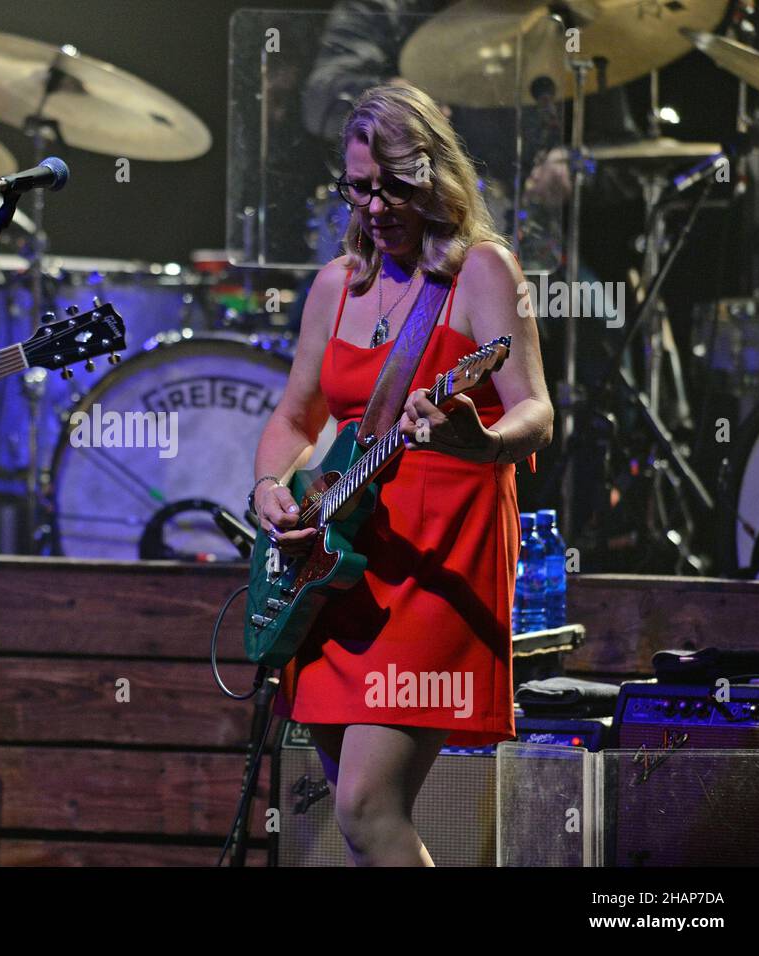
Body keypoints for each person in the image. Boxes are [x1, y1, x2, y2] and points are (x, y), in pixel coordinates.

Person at [251, 84, 553, 865]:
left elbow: (537, 411)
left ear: (435, 177)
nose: (376, 206)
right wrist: (269, 488)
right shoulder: (334, 285)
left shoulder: (482, 270)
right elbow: (295, 416)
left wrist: (482, 441)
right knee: (358, 822)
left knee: (365, 806)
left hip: (439, 557)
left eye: (396, 186)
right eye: (360, 187)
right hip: (343, 561)